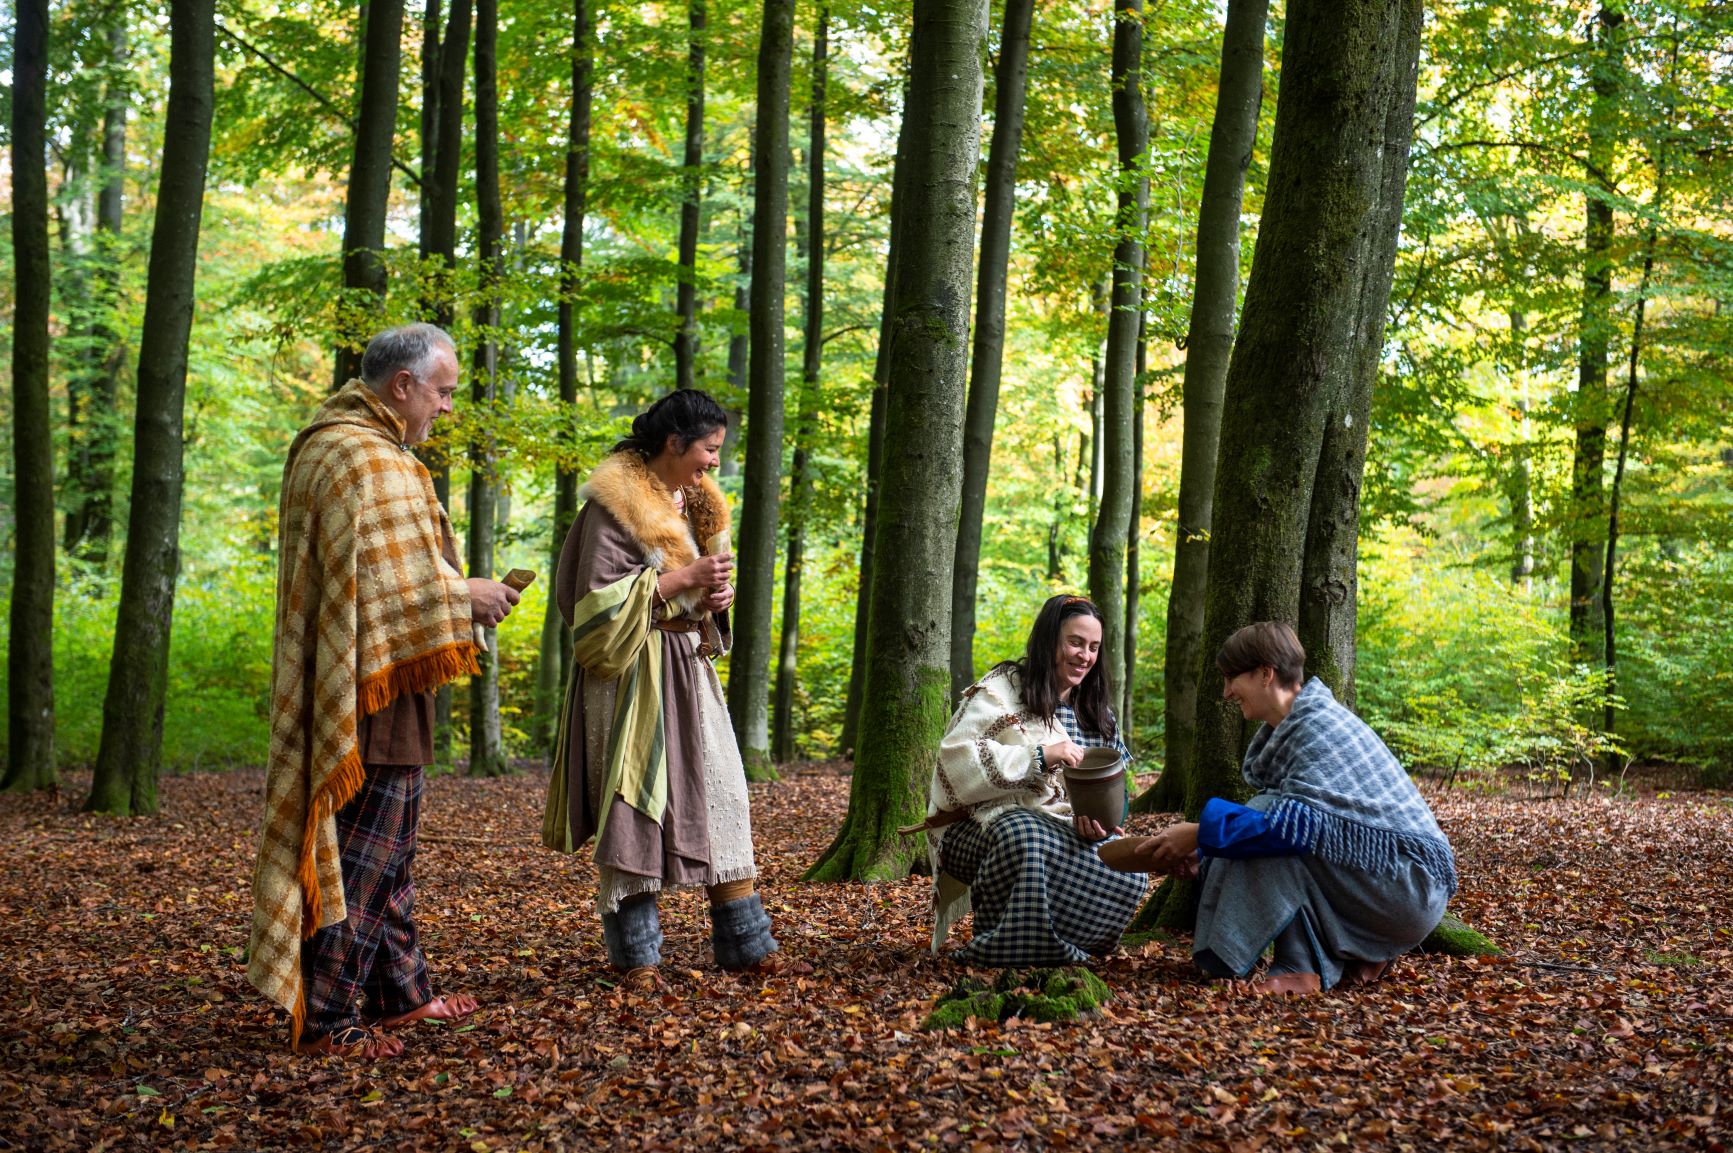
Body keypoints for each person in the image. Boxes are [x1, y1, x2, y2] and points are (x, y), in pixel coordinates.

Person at [247, 323, 522, 1058]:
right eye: (443, 391)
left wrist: (451, 596)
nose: (449, 407)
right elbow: (372, 583)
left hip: (388, 674)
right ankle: (331, 1017)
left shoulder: (357, 447)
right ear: (402, 385)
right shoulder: (351, 453)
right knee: (365, 853)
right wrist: (464, 594)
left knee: (392, 849)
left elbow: (385, 575)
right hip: (361, 687)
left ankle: (400, 991)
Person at [544, 388, 779, 987]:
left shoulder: (696, 503)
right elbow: (591, 610)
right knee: (634, 804)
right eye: (707, 450)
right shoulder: (613, 508)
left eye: (718, 452)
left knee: (723, 793)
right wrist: (683, 578)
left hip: (688, 669)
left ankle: (746, 944)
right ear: (673, 443)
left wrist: (713, 601)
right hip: (630, 678)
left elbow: (696, 593)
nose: (713, 465)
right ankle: (636, 957)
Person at [1136, 621, 1456, 994]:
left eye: (1230, 678)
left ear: (1265, 673)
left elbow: (1289, 831)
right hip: (1401, 885)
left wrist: (1199, 833)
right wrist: (1206, 851)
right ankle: (1354, 957)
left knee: (1267, 823)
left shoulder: (1318, 727)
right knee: (1259, 819)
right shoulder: (1303, 723)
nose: (1225, 692)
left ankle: (1298, 968)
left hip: (1411, 888)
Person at [922, 594, 1147, 966]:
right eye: (1075, 642)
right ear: (1049, 642)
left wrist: (1106, 825)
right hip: (975, 826)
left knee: (1129, 875)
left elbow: (1116, 796)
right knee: (1026, 836)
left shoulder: (1097, 714)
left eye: (1093, 647)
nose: (1084, 656)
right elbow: (956, 759)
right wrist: (1038, 756)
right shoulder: (1003, 691)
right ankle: (1001, 948)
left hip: (1059, 830)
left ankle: (1053, 944)